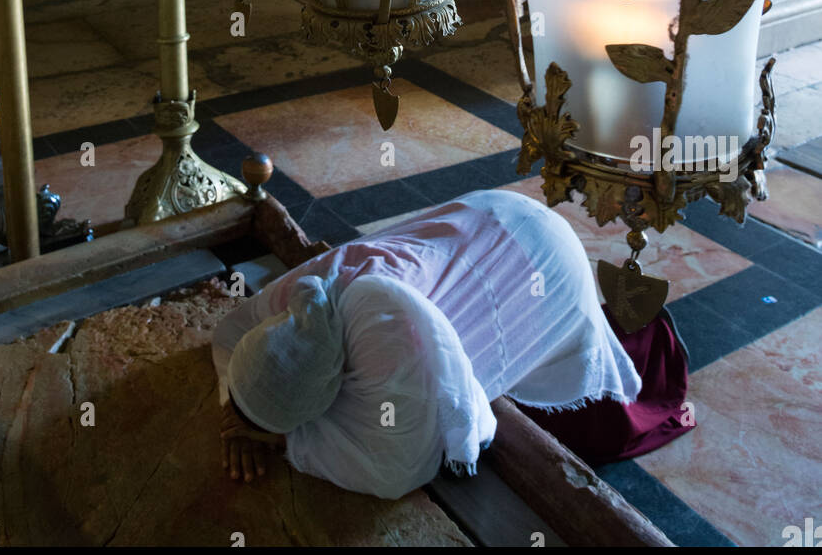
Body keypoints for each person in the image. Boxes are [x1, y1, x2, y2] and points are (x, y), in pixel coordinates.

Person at [213, 188, 642, 500]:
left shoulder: (390, 343)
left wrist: (282, 442)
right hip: (492, 213)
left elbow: (396, 469)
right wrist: (238, 411)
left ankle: (648, 337)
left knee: (598, 422)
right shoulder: (298, 299)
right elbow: (231, 332)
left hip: (550, 268)